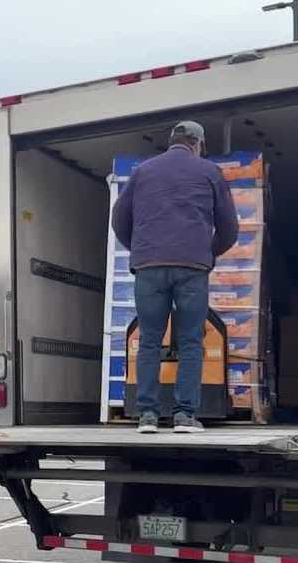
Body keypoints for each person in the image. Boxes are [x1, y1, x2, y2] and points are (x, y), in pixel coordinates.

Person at [111, 121, 238, 434]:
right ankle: (184, 416)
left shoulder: (143, 171)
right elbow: (229, 228)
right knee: (192, 341)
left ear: (172, 142)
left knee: (150, 341)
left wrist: (141, 250)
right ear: (197, 143)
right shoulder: (209, 171)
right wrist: (208, 252)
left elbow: (119, 218)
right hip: (192, 268)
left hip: (149, 268)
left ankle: (147, 417)